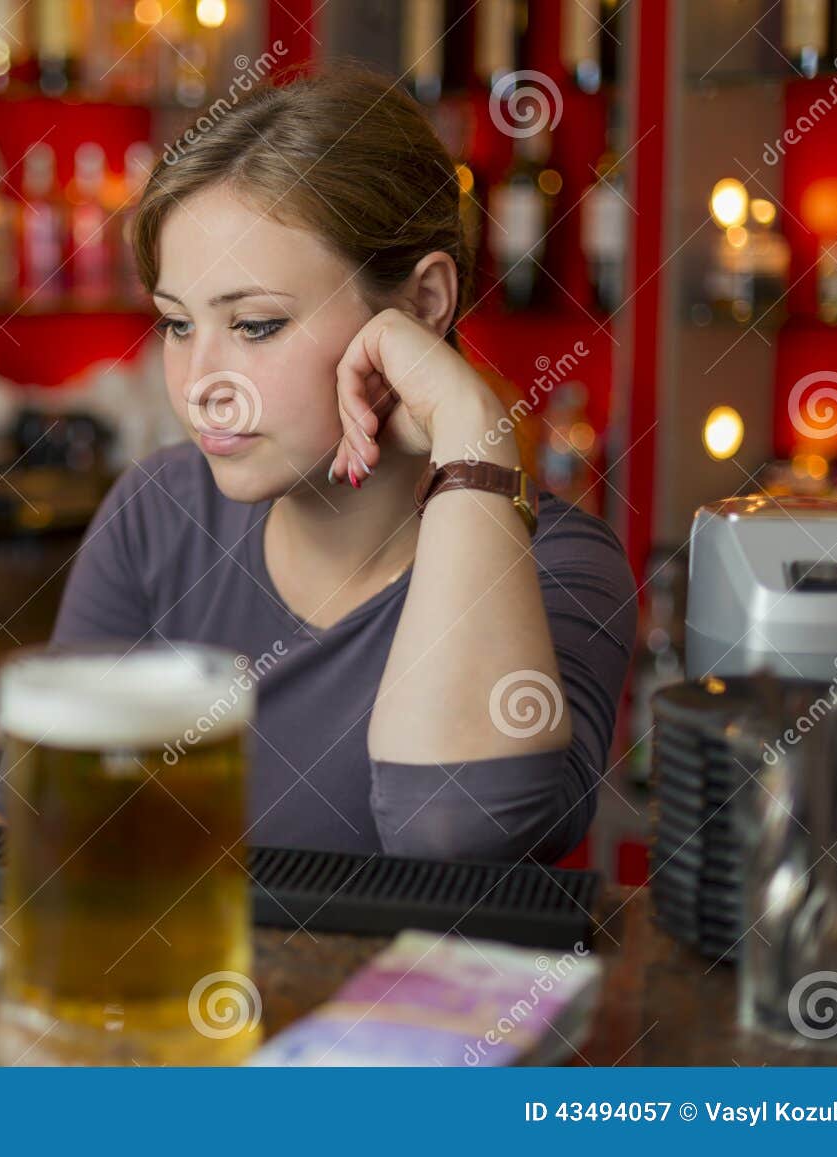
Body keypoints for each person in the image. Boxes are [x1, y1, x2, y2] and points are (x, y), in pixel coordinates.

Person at [47, 64, 638, 863]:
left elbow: (453, 835)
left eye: (255, 325)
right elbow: (46, 823)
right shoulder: (160, 510)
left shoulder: (561, 568)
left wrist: (473, 428)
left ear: (423, 303)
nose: (199, 386)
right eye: (178, 325)